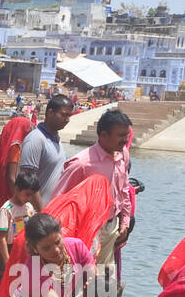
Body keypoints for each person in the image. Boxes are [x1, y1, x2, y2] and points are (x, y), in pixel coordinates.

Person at [54, 109, 133, 268]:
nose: (125, 140)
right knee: (82, 279)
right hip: (85, 229)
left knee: (105, 281)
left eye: (127, 135)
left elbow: (123, 190)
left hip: (111, 226)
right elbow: (59, 199)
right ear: (104, 135)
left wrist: (125, 220)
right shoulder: (82, 164)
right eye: (121, 135)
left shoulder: (122, 155)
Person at [0, 116, 33, 284]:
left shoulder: (8, 142)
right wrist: (20, 200)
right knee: (7, 234)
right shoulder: (16, 145)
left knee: (1, 231)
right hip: (10, 196)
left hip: (3, 193)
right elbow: (11, 176)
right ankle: (0, 272)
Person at [19, 94, 73, 212]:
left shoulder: (56, 139)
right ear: (50, 113)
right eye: (64, 115)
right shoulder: (36, 139)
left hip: (51, 211)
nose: (67, 119)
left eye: (69, 116)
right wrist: (42, 212)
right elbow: (28, 180)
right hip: (34, 214)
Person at [0, 173, 39, 289]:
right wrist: (7, 259)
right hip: (9, 248)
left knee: (22, 277)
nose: (29, 198)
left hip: (25, 248)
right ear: (17, 189)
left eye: (32, 195)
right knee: (5, 278)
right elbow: (1, 237)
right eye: (27, 194)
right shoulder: (6, 210)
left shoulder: (29, 207)